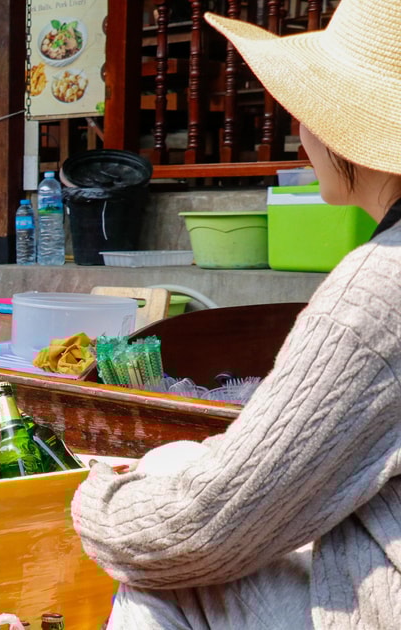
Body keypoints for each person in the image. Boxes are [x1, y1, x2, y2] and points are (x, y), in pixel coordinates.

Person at [70, 1, 401, 627]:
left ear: (342, 127)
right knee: (172, 464)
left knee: (157, 570)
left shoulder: (378, 286)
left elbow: (205, 527)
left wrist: (95, 502)